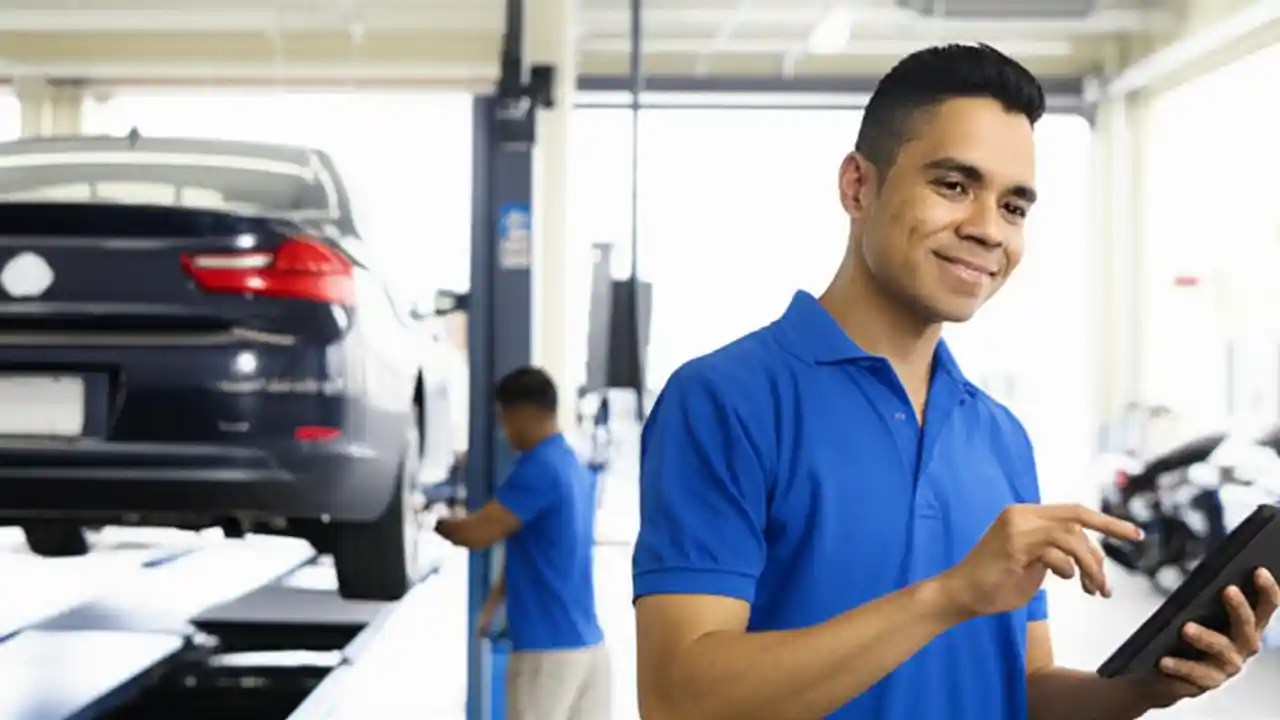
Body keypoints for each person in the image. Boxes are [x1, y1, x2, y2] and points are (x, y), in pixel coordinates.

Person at [631, 43, 1279, 720]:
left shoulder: (999, 437)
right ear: (858, 185)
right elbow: (681, 699)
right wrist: (950, 594)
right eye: (953, 186)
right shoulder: (724, 401)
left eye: (1015, 207)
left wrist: (1144, 688)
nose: (987, 230)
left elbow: (1020, 690)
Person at [435, 366, 610, 719]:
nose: (505, 430)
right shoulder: (569, 463)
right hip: (588, 644)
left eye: (504, 418)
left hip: (548, 651)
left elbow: (477, 533)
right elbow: (533, 553)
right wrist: (492, 606)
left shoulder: (539, 468)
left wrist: (427, 517)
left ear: (523, 412)